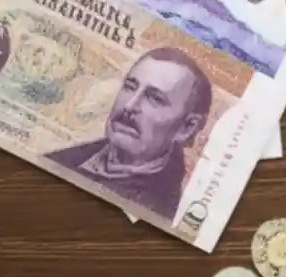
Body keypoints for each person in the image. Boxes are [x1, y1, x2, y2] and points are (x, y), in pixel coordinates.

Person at [46, 46, 213, 219]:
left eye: (155, 98)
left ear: (187, 127)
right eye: (130, 87)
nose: (129, 105)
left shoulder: (157, 211)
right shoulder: (70, 158)